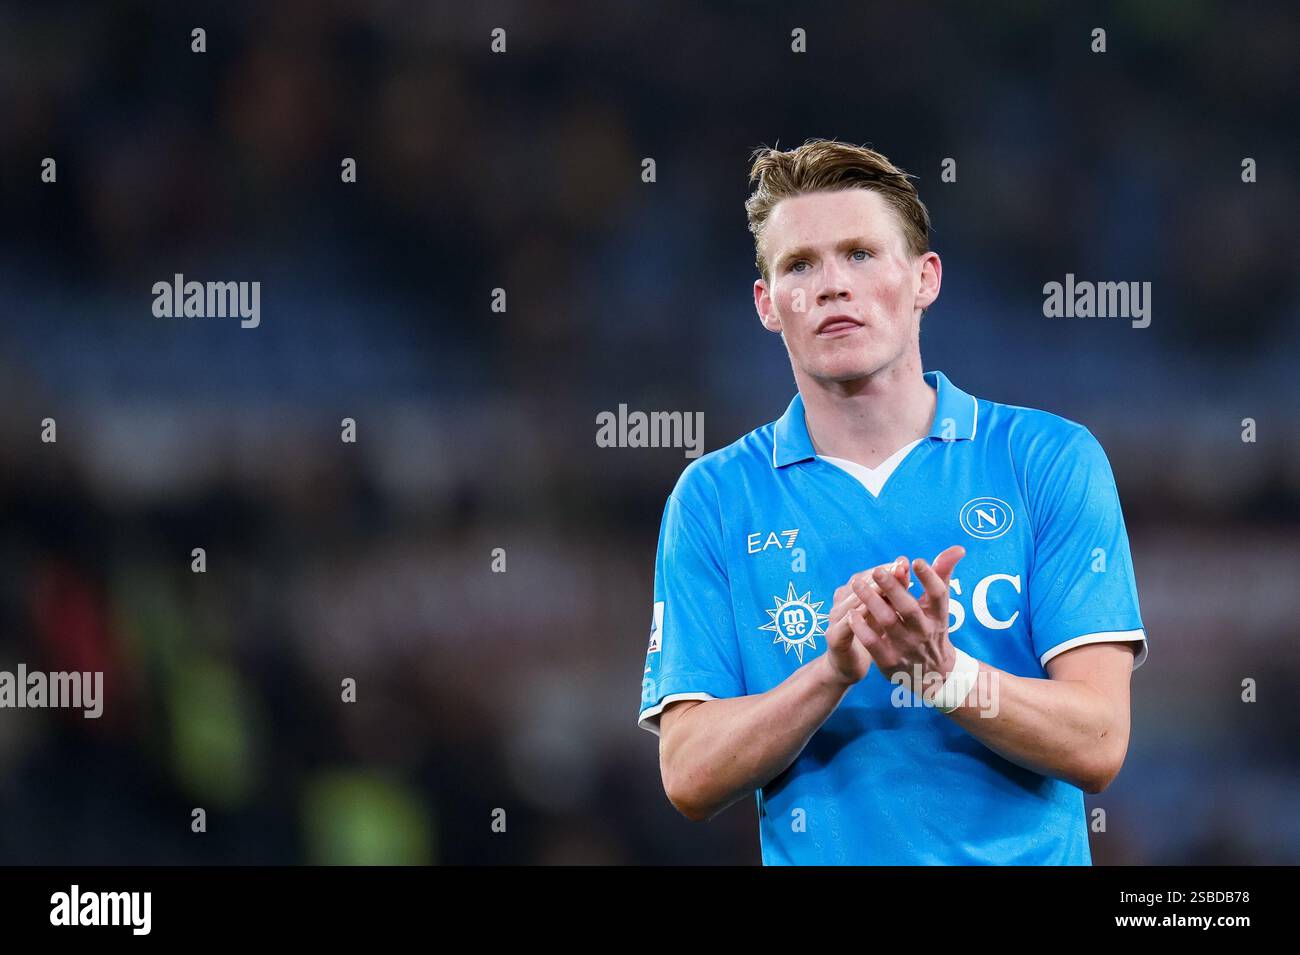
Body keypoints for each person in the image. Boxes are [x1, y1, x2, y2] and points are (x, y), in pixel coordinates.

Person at [637, 139, 1146, 865]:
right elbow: (688, 774)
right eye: (799, 265)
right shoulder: (715, 498)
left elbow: (1099, 742)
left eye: (861, 253)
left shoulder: (1047, 460)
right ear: (767, 304)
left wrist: (942, 674)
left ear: (923, 279)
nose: (832, 285)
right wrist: (831, 672)